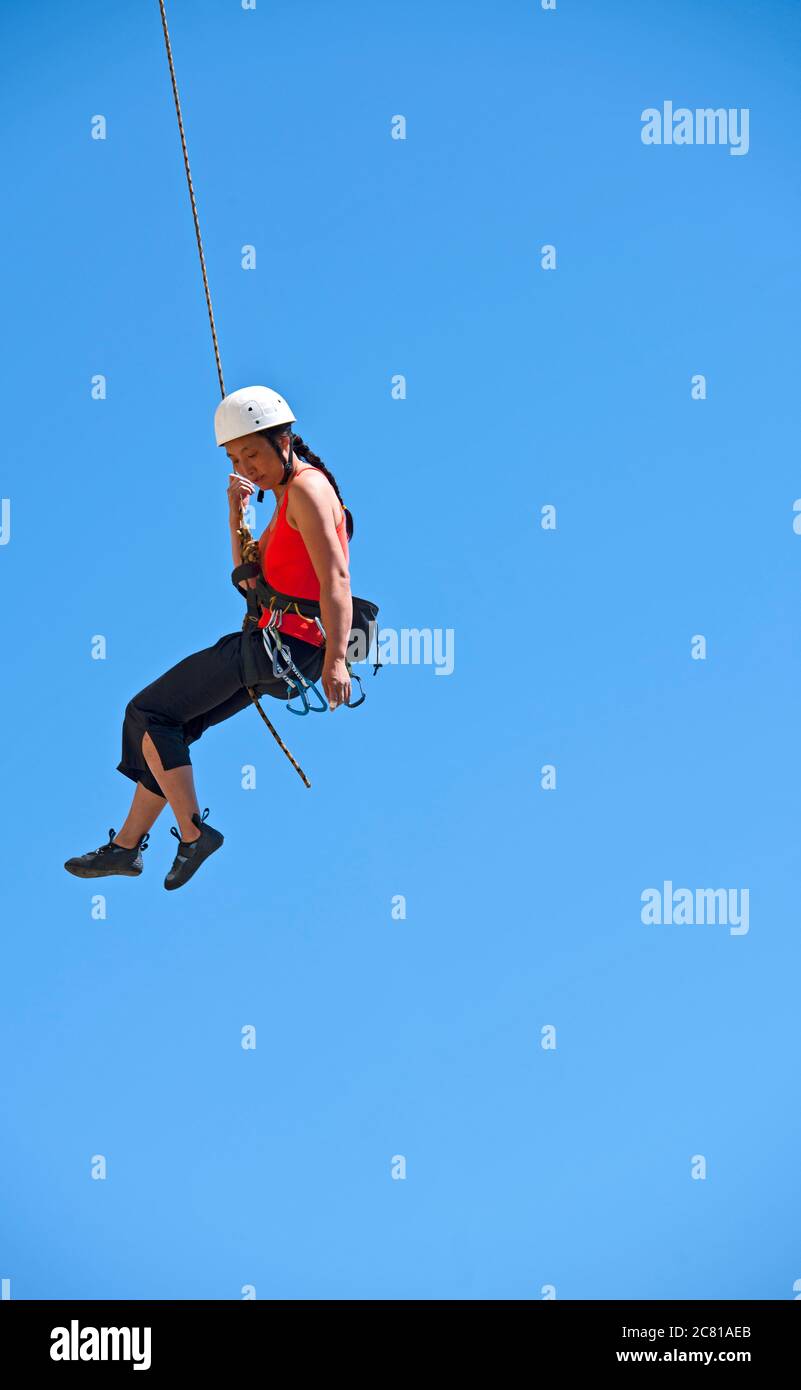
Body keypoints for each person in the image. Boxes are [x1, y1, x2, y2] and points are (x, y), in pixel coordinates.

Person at [64, 386, 355, 891]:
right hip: (280, 649)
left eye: (253, 453)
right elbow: (249, 576)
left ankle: (194, 834)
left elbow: (337, 580)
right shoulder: (289, 495)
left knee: (147, 712)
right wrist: (235, 511)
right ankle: (127, 847)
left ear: (285, 440)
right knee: (166, 731)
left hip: (283, 648)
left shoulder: (307, 491)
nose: (247, 465)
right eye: (235, 457)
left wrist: (337, 660)